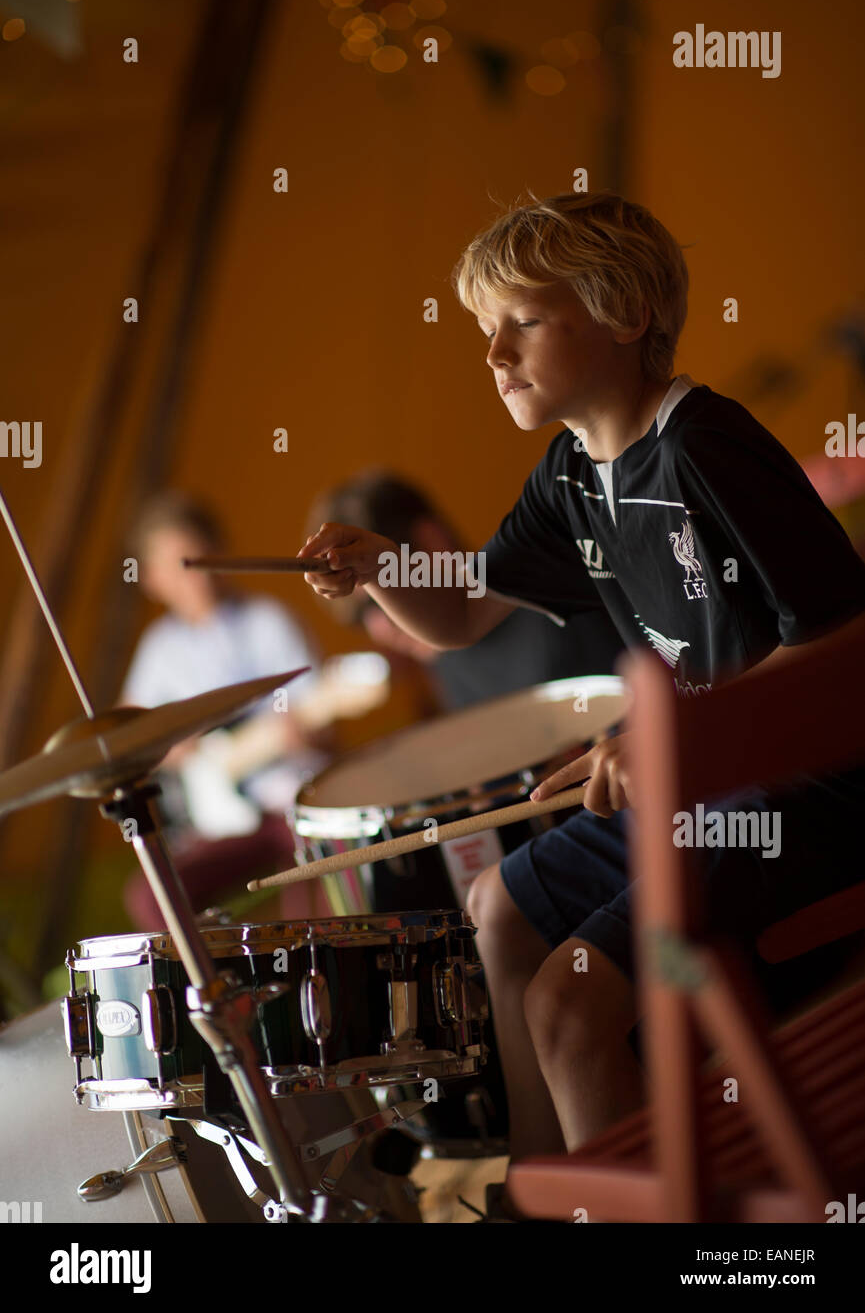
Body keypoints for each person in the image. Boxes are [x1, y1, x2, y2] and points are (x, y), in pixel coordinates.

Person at [296, 191, 865, 1214]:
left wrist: (677, 739)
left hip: (802, 794)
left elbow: (846, 638)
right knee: (497, 903)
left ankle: (628, 1206)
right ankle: (548, 1190)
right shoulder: (569, 473)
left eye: (520, 321)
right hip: (705, 781)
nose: (494, 354)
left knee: (566, 1003)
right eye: (485, 330)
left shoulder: (703, 446)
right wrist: (384, 569)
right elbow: (465, 610)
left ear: (622, 315)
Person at [121, 493, 332, 927]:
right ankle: (217, 989)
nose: (197, 575)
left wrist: (304, 734)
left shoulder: (268, 622)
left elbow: (325, 726)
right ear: (153, 579)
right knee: (153, 895)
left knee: (328, 877)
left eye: (203, 557)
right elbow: (131, 735)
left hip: (293, 803)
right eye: (181, 564)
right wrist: (175, 747)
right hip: (221, 820)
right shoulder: (160, 650)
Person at [306, 471, 624, 709]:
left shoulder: (552, 586)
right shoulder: (445, 663)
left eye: (377, 598)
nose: (379, 630)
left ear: (433, 542)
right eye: (361, 621)